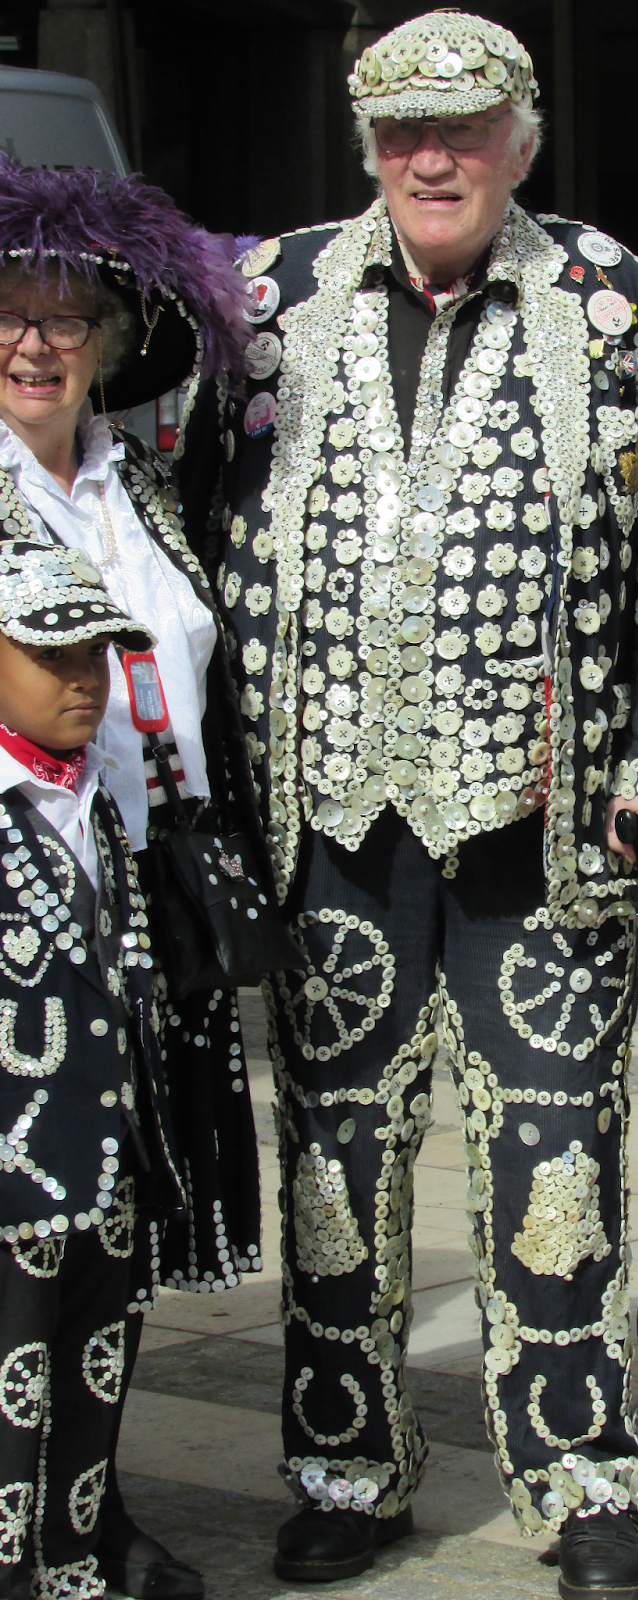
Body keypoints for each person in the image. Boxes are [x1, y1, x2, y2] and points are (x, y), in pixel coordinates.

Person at [176, 10, 638, 1599]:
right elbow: (201, 520)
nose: (434, 157)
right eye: (405, 131)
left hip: (541, 824)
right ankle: (348, 1462)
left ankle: (581, 1470)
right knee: (336, 1151)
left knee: (558, 1138)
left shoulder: (611, 296)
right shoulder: (272, 293)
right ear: (367, 147)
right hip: (327, 816)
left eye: (464, 130)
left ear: (519, 143)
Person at [0, 156, 261, 1598]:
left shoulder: (145, 485)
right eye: (8, 312)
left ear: (109, 340)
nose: (37, 342)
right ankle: (17, 1532)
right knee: (23, 1235)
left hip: (154, 898)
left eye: (66, 314)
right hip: (13, 901)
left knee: (120, 1229)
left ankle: (87, 1515)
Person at [0, 538, 181, 1600]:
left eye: (98, 653)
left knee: (89, 1386)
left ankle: (72, 1565)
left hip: (108, 1165)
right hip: (16, 1173)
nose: (82, 677)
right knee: (10, 1390)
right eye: (50, 650)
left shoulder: (101, 808)